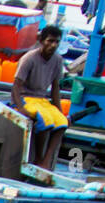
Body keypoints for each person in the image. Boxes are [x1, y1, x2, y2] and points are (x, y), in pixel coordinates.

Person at [12, 25, 66, 170]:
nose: (53, 45)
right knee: (45, 120)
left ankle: (46, 160)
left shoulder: (58, 60)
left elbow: (55, 88)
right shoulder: (29, 58)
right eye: (50, 41)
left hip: (42, 99)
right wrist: (20, 107)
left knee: (62, 122)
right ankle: (39, 158)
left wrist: (60, 110)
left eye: (56, 42)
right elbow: (16, 85)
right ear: (42, 41)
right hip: (27, 97)